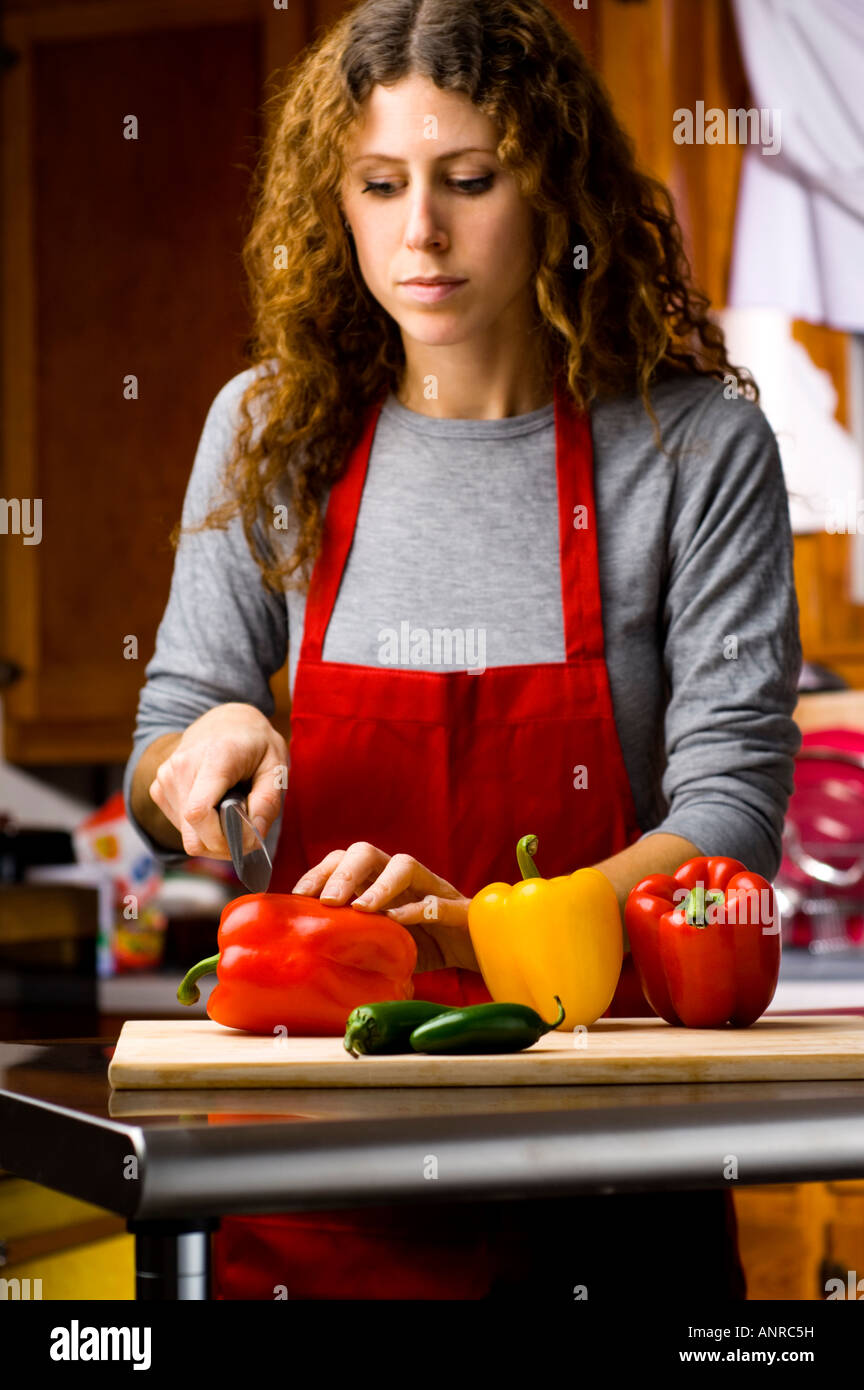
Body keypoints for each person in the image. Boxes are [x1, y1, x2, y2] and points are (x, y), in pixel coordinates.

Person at [124, 0, 802, 1300]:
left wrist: (479, 931)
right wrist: (197, 755)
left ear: (556, 185)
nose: (418, 233)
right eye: (380, 185)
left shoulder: (693, 448)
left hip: (617, 1181)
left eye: (468, 180)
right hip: (326, 1182)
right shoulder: (271, 428)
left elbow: (726, 823)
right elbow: (174, 742)